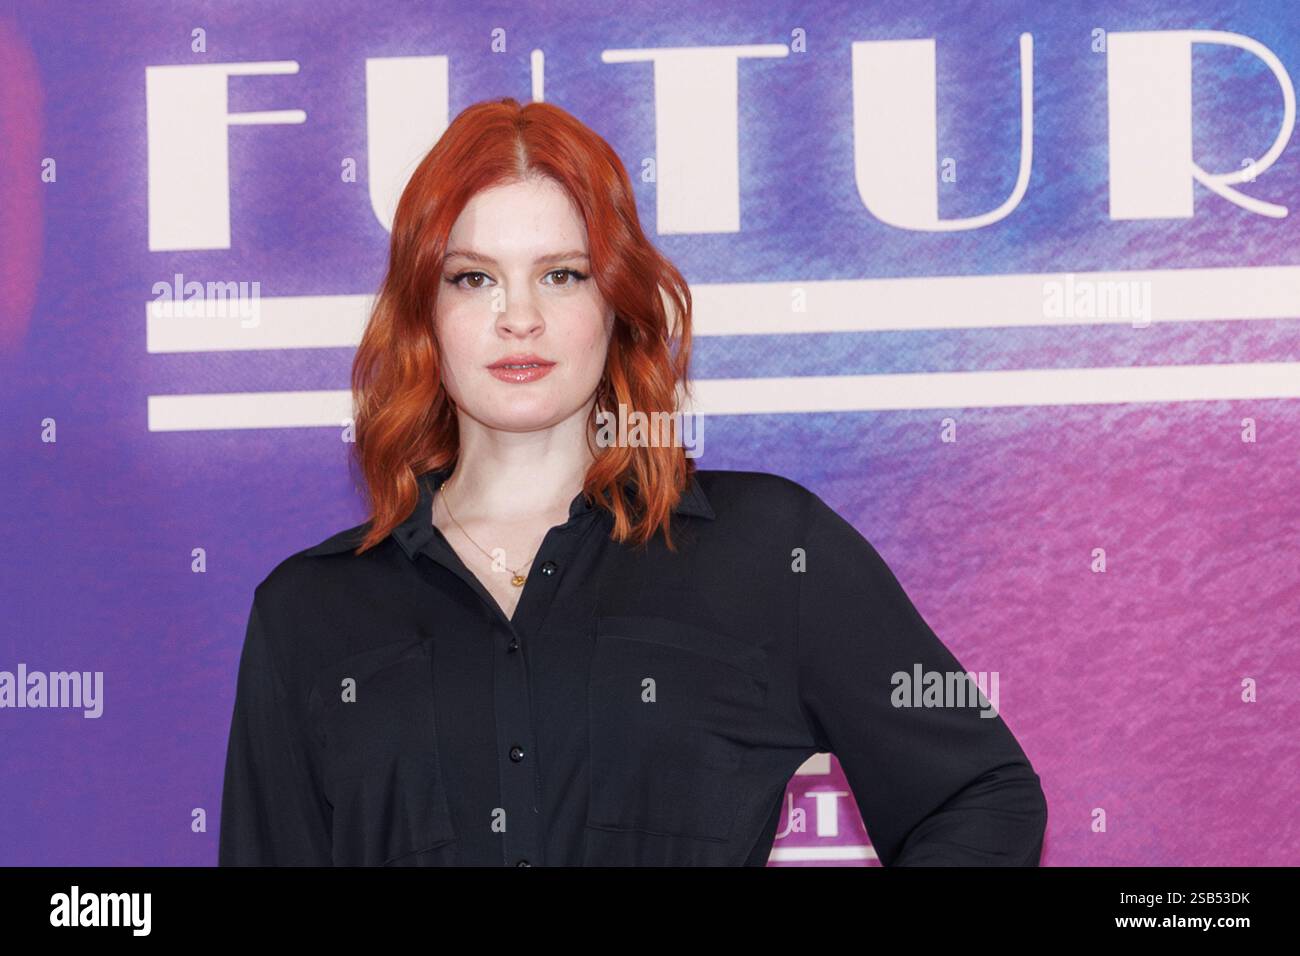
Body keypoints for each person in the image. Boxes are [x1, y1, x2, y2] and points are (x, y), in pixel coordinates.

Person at [218, 96, 1047, 867]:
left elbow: (983, 794)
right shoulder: (307, 614)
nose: (520, 316)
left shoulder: (766, 549)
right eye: (474, 277)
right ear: (422, 313)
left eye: (562, 273)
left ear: (616, 302)